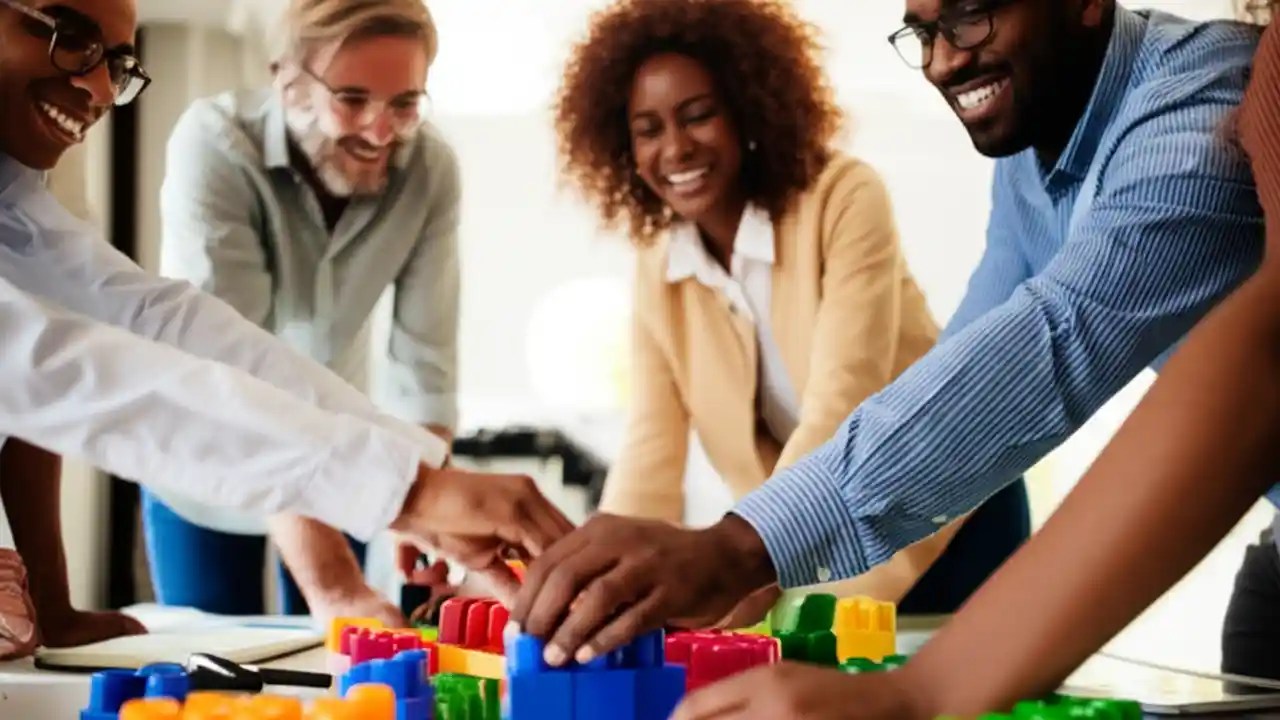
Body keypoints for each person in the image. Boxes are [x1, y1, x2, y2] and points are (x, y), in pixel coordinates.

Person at [511, 0, 1265, 684]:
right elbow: (967, 358)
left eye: (970, 15)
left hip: (929, 530)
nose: (943, 60)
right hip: (853, 519)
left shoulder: (1199, 105)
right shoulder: (1028, 149)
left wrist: (743, 551)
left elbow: (1046, 347)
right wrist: (601, 583)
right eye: (924, 33)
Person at [0, 0, 571, 658]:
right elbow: (58, 369)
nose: (103, 89)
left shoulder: (17, 195)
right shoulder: (219, 143)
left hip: (321, 452)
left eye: (118, 63)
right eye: (71, 37)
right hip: (245, 463)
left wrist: (426, 475)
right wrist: (410, 492)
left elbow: (163, 320)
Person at [552, 0, 1028, 619]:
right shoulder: (658, 265)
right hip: (810, 538)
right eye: (648, 130)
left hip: (949, 517)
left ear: (745, 110)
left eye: (698, 116)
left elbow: (843, 399)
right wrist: (600, 583)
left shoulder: (843, 197)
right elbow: (649, 450)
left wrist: (746, 555)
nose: (675, 148)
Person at [142, 0, 460, 623]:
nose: (381, 132)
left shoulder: (431, 170)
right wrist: (333, 584)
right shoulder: (215, 145)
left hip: (338, 459)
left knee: (338, 655)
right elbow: (232, 370)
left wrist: (426, 502)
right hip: (210, 441)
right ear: (288, 82)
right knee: (214, 655)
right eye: (353, 99)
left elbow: (425, 369)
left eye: (404, 104)